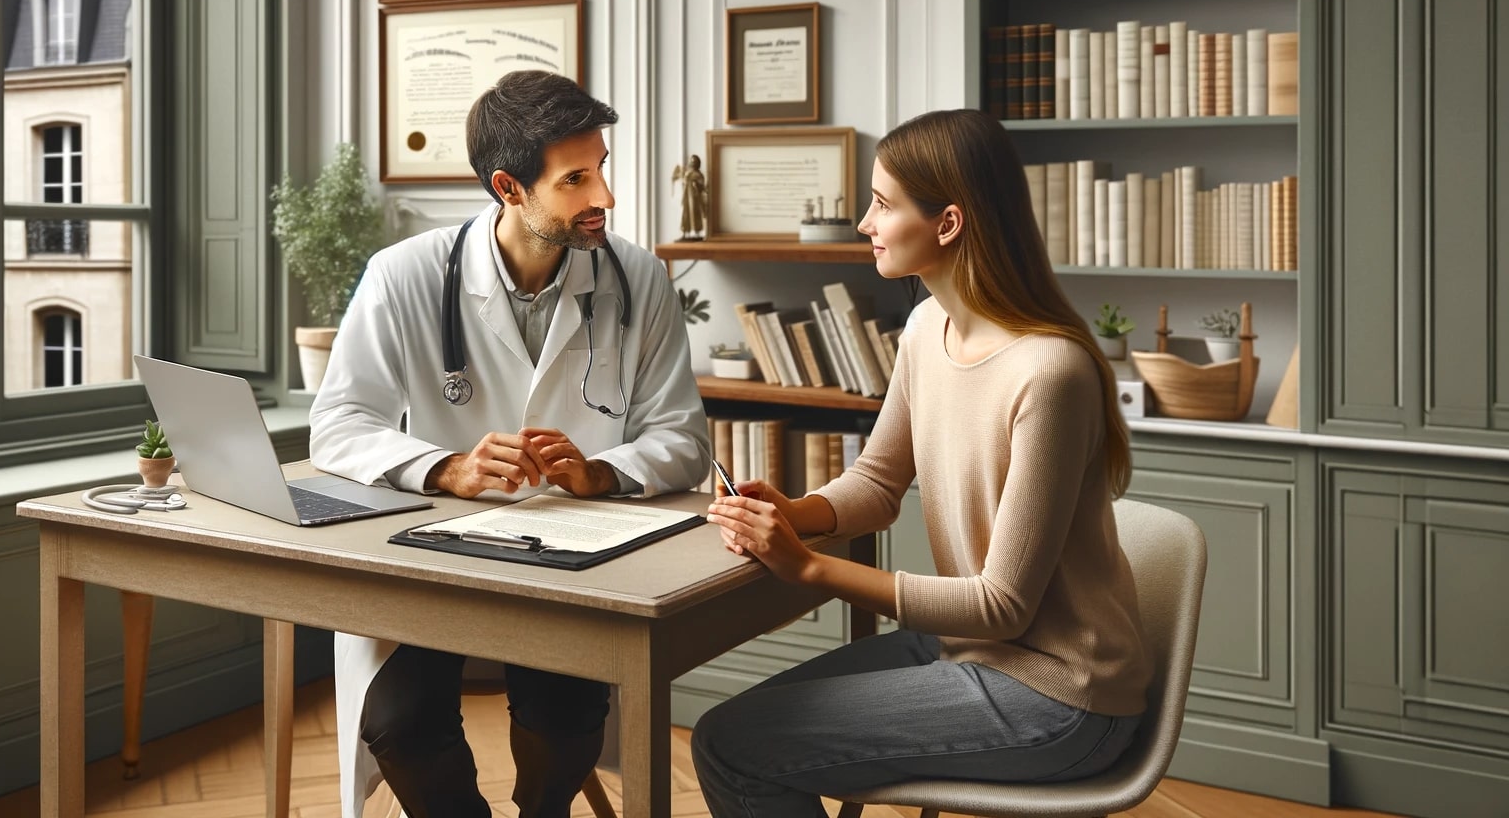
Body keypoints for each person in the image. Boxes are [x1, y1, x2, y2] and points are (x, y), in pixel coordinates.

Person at [693, 108, 1152, 817]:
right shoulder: (924, 327)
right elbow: (879, 482)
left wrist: (810, 564)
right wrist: (798, 512)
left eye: (882, 205)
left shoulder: (1050, 373)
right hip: (965, 649)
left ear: (948, 224)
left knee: (728, 745)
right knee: (738, 727)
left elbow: (1003, 606)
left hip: (1059, 694)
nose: (864, 225)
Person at [309, 70, 711, 818]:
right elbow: (338, 422)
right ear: (509, 187)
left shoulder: (639, 278)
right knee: (398, 723)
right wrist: (445, 466)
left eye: (603, 171)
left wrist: (600, 472)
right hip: (436, 562)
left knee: (566, 720)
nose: (605, 200)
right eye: (576, 180)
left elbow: (682, 437)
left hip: (571, 566)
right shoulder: (404, 277)